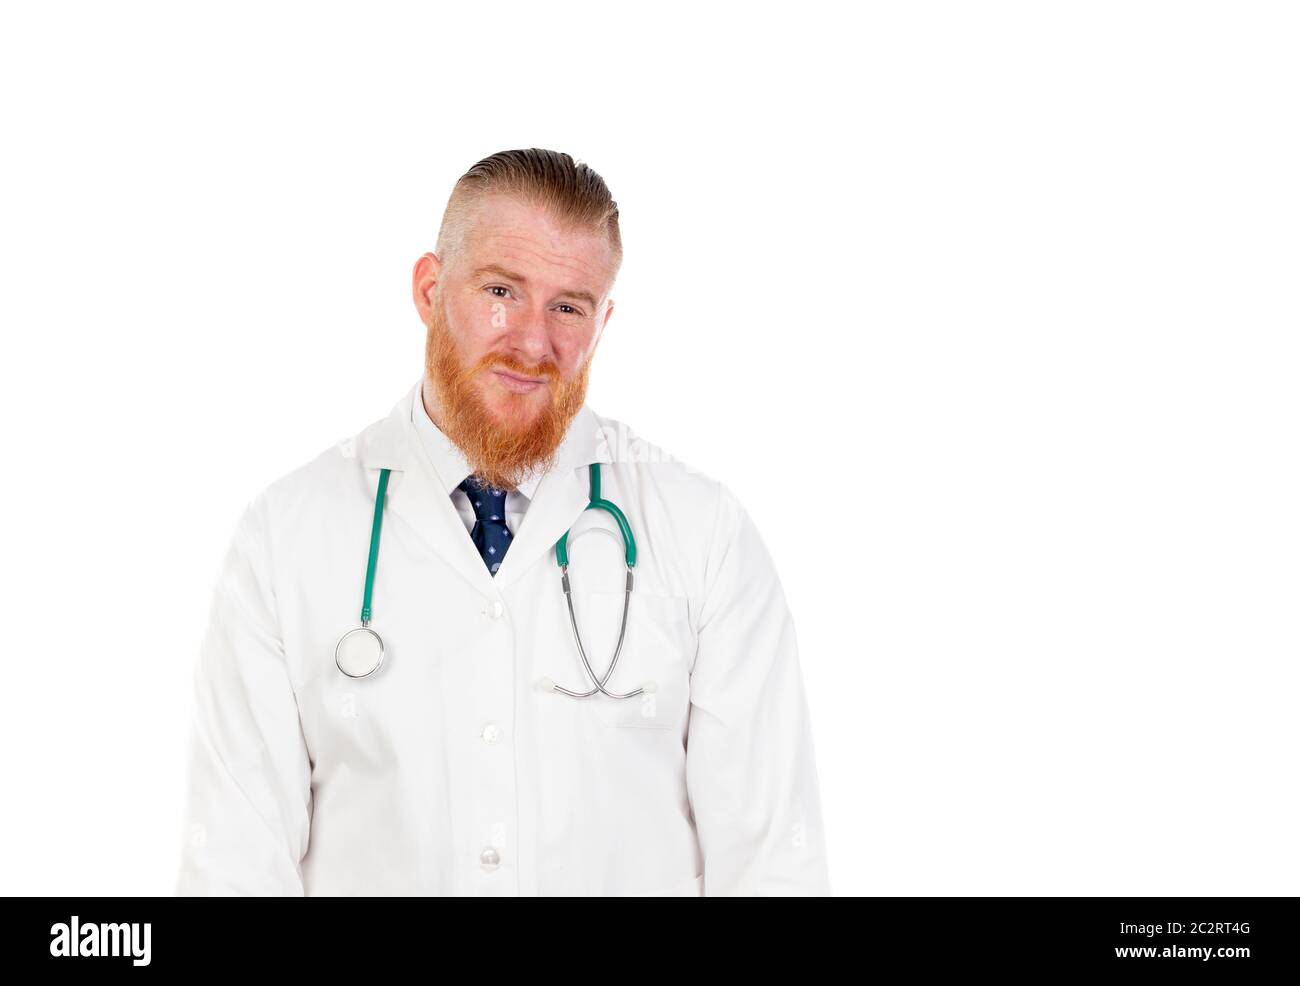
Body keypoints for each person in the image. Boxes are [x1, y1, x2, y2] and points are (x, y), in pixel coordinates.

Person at [175, 148, 830, 896]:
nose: (532, 341)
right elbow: (234, 865)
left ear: (603, 321)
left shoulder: (702, 532)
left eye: (569, 306)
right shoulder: (285, 537)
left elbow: (773, 862)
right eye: (500, 290)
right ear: (428, 288)